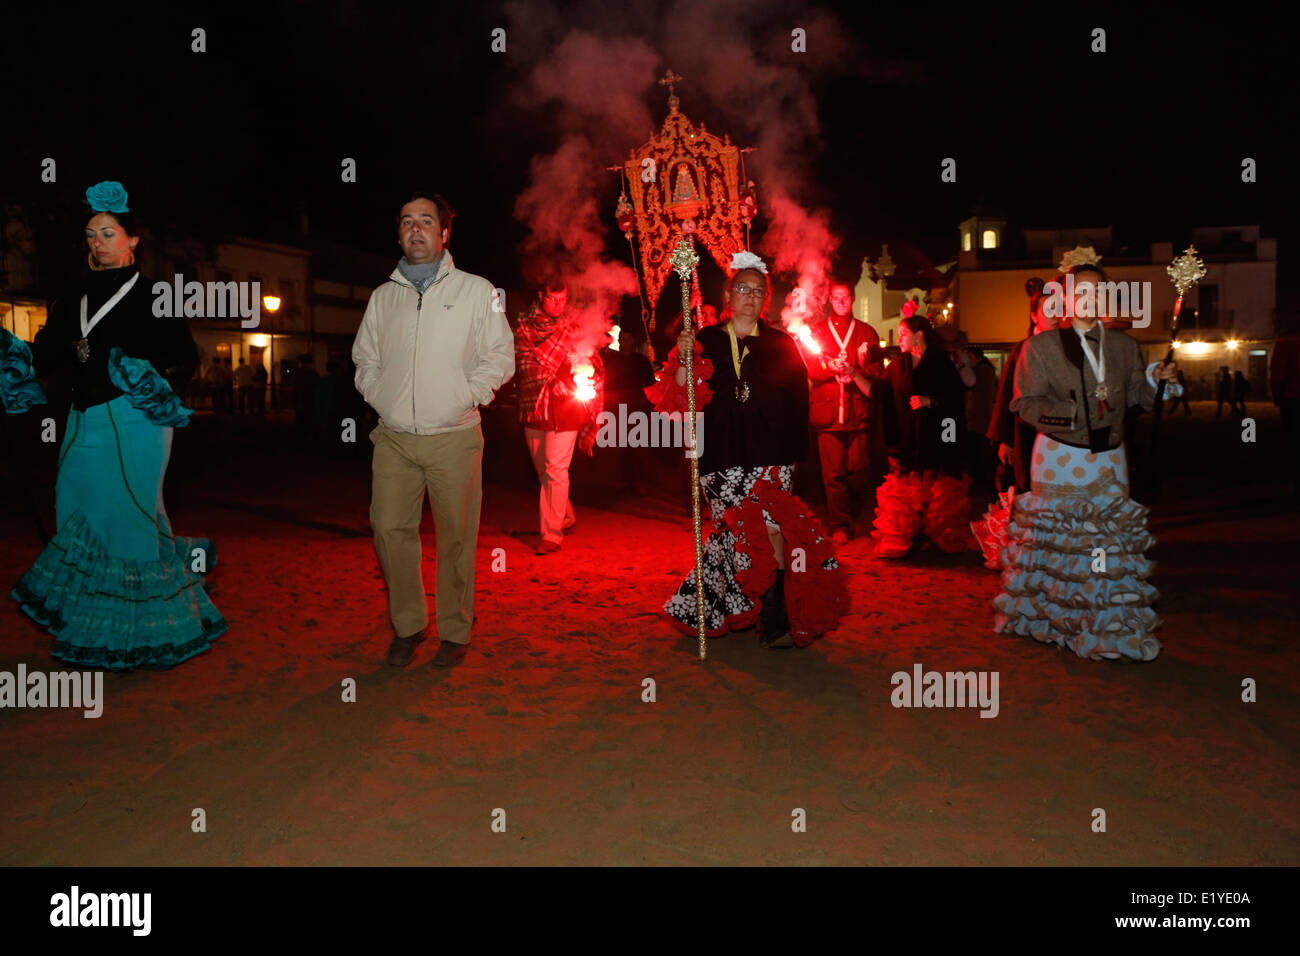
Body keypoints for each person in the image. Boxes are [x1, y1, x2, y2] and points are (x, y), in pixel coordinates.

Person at [1, 180, 224, 669]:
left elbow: (182, 359)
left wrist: (140, 373)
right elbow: (44, 353)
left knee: (131, 515)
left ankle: (142, 632)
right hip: (83, 419)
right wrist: (11, 356)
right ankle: (94, 620)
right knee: (75, 507)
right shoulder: (73, 298)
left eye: (108, 233)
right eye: (91, 234)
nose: (97, 242)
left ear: (132, 241)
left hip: (137, 418)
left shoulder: (154, 295)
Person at [352, 190, 515, 668]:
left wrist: (467, 394)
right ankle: (408, 625)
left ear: (445, 232)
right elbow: (366, 358)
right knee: (388, 529)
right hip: (395, 438)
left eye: (426, 221)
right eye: (407, 222)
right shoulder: (384, 297)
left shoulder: (476, 290)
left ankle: (455, 630)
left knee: (457, 537)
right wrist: (381, 395)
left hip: (455, 435)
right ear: (399, 233)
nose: (416, 229)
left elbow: (499, 355)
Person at [652, 251, 846, 648]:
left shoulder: (781, 344)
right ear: (729, 295)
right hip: (722, 456)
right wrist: (683, 356)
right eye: (743, 289)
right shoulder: (706, 339)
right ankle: (720, 605)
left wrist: (794, 456)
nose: (751, 297)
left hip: (771, 456)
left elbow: (797, 403)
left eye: (759, 291)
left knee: (772, 531)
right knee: (734, 535)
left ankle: (774, 620)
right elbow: (683, 393)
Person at [993, 254, 1179, 661]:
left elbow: (1135, 398)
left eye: (1098, 291)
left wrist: (1155, 382)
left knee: (1105, 544)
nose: (1090, 298)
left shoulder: (1126, 346)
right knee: (1065, 547)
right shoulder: (1039, 347)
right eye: (1081, 292)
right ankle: (1054, 621)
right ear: (1064, 297)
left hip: (1110, 459)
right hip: (1060, 458)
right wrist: (1075, 414)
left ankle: (1104, 623)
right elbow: (1023, 404)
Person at [972, 279, 1061, 569]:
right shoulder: (1023, 349)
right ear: (1034, 315)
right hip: (1026, 436)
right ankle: (1028, 556)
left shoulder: (1067, 349)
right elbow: (1005, 396)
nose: (1056, 316)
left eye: (1060, 309)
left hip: (1060, 436)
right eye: (1048, 310)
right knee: (1027, 492)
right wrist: (1004, 439)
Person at [514, 278, 605, 554]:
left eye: (563, 299)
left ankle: (551, 535)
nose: (558, 305)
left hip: (566, 410)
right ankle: (565, 517)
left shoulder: (573, 326)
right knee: (544, 471)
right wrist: (550, 380)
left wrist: (587, 374)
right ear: (541, 296)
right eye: (553, 299)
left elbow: (595, 362)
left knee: (556, 470)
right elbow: (523, 363)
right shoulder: (525, 327)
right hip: (535, 406)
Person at [871, 314, 971, 558]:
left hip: (938, 440)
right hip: (908, 444)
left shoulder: (941, 363)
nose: (900, 338)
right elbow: (880, 394)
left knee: (938, 492)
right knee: (906, 493)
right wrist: (854, 373)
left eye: (904, 333)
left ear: (919, 335)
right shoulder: (898, 365)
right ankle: (903, 539)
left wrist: (931, 402)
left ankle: (937, 536)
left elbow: (955, 400)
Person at [802, 281, 884, 544]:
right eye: (836, 298)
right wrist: (830, 368)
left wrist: (855, 373)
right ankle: (839, 524)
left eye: (845, 298)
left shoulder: (867, 333)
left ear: (852, 299)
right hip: (827, 415)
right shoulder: (816, 331)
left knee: (859, 471)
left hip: (857, 414)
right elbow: (809, 368)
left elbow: (877, 370)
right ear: (829, 301)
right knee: (833, 475)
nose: (840, 302)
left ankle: (856, 515)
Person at [1270, 315, 1300, 503]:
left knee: (1295, 445)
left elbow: (1278, 372)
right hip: (1293, 398)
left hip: (1294, 399)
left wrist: (1278, 397)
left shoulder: (1287, 340)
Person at [960, 346, 999, 489]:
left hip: (980, 419)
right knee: (974, 451)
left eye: (970, 357)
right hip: (973, 420)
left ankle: (981, 481)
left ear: (978, 358)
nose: (968, 360)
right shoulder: (976, 371)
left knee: (980, 451)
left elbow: (973, 386)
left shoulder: (984, 372)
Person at [293, 353, 319, 441]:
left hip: (300, 402)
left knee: (300, 423)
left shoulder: (297, 374)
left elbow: (296, 389)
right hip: (309, 402)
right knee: (308, 422)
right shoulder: (313, 374)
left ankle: (301, 439)